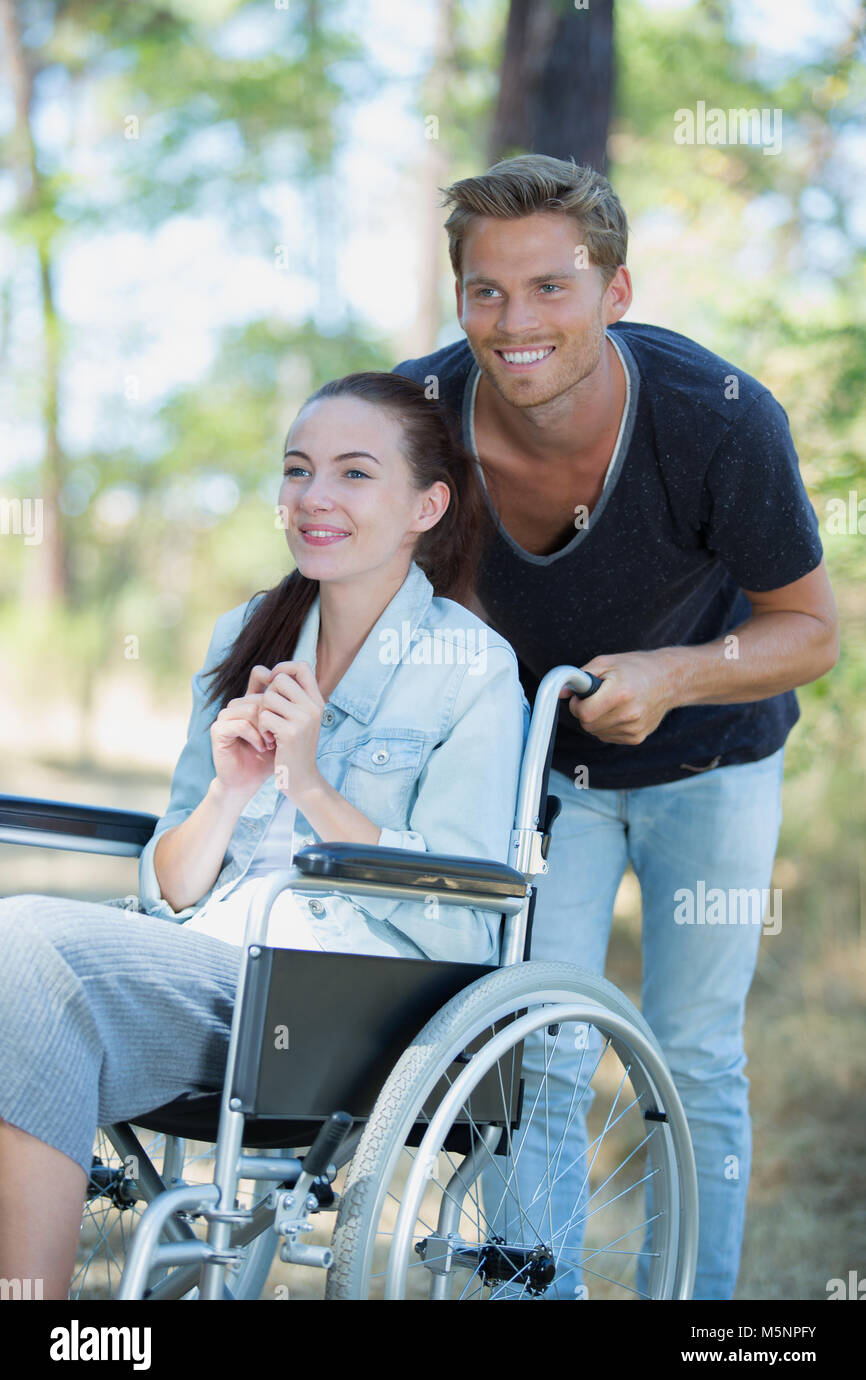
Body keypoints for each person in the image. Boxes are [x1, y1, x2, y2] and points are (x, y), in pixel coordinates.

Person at [392, 154, 840, 1299]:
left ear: (615, 293)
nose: (514, 320)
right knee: (535, 1044)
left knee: (691, 1057)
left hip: (715, 762)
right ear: (458, 300)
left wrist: (676, 675)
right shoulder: (419, 417)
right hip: (542, 775)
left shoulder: (716, 421)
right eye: (485, 291)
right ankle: (531, 1293)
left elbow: (808, 631)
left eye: (551, 287)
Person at [0, 371, 529, 1299]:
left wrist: (310, 783)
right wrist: (232, 796)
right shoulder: (246, 631)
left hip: (344, 996)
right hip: (206, 966)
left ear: (426, 505)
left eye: (354, 474)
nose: (314, 498)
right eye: (297, 470)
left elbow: (460, 918)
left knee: (23, 946)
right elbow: (169, 886)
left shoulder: (471, 667)